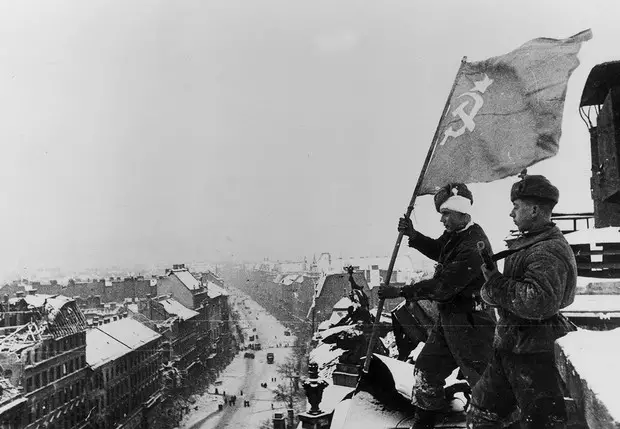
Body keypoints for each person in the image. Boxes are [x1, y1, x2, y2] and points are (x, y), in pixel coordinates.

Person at [379, 183, 495, 429]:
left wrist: (401, 292)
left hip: (472, 325)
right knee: (427, 370)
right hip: (450, 320)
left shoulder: (474, 244)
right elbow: (440, 250)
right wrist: (414, 235)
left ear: (461, 212)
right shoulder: (457, 234)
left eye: (445, 214)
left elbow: (442, 285)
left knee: (486, 387)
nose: (442, 220)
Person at [466, 175, 577, 429]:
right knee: (482, 414)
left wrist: (495, 284)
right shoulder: (531, 244)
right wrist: (493, 283)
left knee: (538, 422)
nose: (511, 213)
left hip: (533, 353)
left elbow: (537, 302)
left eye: (516, 206)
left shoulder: (546, 250)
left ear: (535, 210)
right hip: (512, 346)